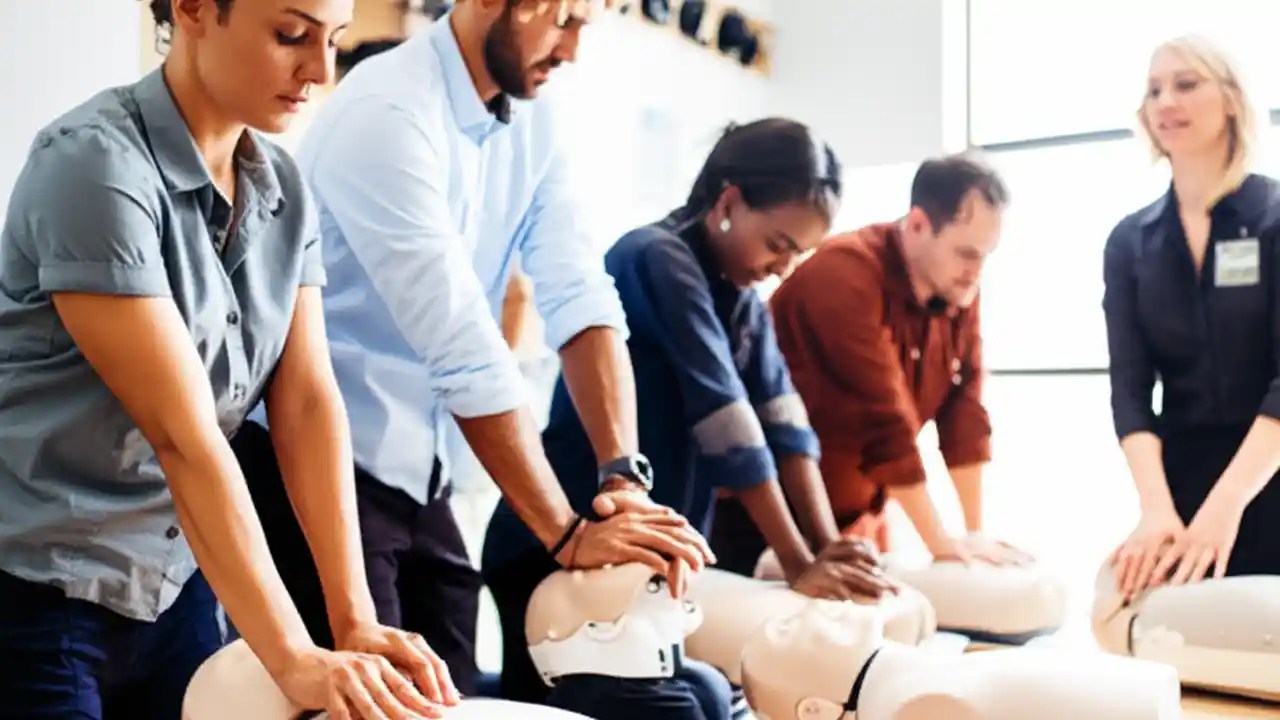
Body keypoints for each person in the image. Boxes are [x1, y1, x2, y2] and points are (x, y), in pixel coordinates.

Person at [229, 0, 713, 698]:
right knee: (373, 703)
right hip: (317, 469)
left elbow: (579, 295)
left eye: (586, 28)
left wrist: (620, 481)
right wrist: (567, 534)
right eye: (563, 22)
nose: (573, 51)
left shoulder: (534, 116)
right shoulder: (387, 112)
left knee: (457, 696)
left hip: (422, 476)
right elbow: (461, 346)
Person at [0, 1, 464, 718]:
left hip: (175, 584)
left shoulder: (283, 189)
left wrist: (353, 621)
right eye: (290, 35)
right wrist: (295, 657)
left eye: (333, 41)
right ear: (191, 9)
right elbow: (184, 438)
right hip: (40, 593)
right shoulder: (92, 165)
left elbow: (308, 403)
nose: (320, 70)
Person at [481, 118, 898, 714]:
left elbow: (785, 424)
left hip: (636, 570)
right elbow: (729, 425)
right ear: (728, 202)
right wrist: (800, 564)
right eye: (778, 245)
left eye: (798, 255)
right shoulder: (654, 257)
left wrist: (828, 546)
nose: (783, 268)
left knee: (706, 696)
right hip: (554, 546)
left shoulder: (743, 300)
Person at [765, 153, 1030, 567]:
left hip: (856, 515)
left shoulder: (957, 286)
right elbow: (883, 421)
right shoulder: (844, 274)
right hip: (769, 521)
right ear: (920, 224)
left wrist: (974, 535)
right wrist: (942, 547)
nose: (975, 272)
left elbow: (965, 409)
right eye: (966, 253)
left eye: (985, 255)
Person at [1103, 35, 1280, 601]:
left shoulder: (1275, 217)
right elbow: (1130, 391)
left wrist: (1227, 506)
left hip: (1267, 473)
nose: (1164, 103)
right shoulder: (1130, 241)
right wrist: (1157, 510)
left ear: (1230, 99)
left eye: (1186, 84)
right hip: (1180, 489)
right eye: (1154, 90)